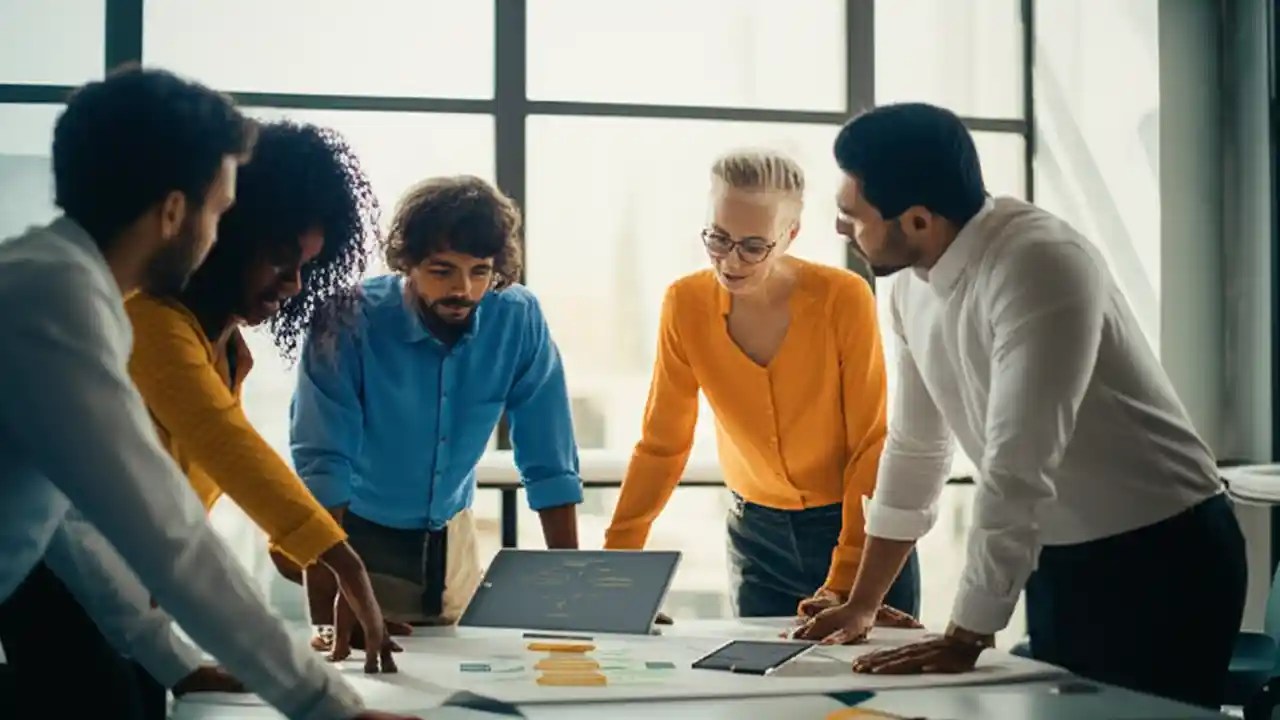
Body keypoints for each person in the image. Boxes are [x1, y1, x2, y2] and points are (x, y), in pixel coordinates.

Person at [792, 103, 1246, 709]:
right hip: (1058, 554)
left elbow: (1017, 463)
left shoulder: (1038, 263)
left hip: (1164, 553)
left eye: (852, 216)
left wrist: (968, 631)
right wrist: (864, 600)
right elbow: (916, 445)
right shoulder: (905, 282)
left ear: (919, 220)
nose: (842, 229)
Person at [0, 65, 416, 719]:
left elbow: (68, 524)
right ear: (174, 211)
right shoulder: (56, 301)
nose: (218, 233)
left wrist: (175, 661)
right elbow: (169, 531)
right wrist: (330, 706)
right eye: (219, 210)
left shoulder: (52, 285)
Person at [124, 120, 398, 672]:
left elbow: (217, 467)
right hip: (67, 590)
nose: (295, 284)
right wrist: (338, 558)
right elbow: (224, 442)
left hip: (135, 606)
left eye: (306, 267)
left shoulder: (227, 348)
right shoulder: (147, 322)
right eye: (280, 260)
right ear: (223, 240)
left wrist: (297, 557)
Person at [604, 149, 921, 621]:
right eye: (718, 238)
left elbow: (869, 444)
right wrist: (617, 573)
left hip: (857, 533)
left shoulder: (843, 298)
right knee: (760, 688)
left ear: (789, 234)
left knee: (871, 692)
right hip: (757, 540)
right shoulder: (684, 304)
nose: (730, 261)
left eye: (753, 246)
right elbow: (662, 445)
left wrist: (844, 579)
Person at [290, 175, 583, 638]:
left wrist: (578, 593)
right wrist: (325, 617)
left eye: (480, 271)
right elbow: (323, 465)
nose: (463, 290)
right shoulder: (348, 320)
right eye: (442, 270)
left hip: (455, 539)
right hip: (356, 536)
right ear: (408, 263)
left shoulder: (518, 317)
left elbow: (550, 458)